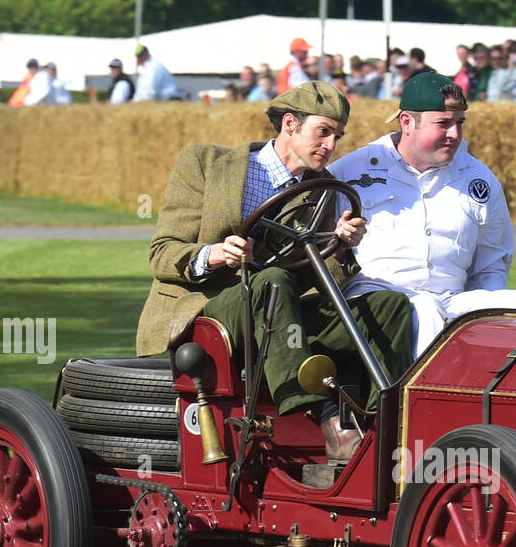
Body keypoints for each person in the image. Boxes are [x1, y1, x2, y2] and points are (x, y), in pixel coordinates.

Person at [136, 81, 413, 462]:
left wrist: (344, 247)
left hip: (279, 314)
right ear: (289, 125)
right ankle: (324, 416)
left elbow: (321, 279)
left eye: (338, 136)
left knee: (390, 305)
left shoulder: (323, 191)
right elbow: (163, 254)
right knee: (272, 282)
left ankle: (384, 426)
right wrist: (213, 254)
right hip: (209, 310)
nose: (331, 146)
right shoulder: (206, 164)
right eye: (323, 132)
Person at [330, 72, 516, 359]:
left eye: (459, 123)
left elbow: (492, 266)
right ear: (407, 122)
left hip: (452, 301)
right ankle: (419, 403)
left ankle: (513, 400)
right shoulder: (351, 172)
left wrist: (490, 326)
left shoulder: (479, 179)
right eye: (443, 123)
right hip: (376, 299)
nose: (454, 134)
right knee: (424, 310)